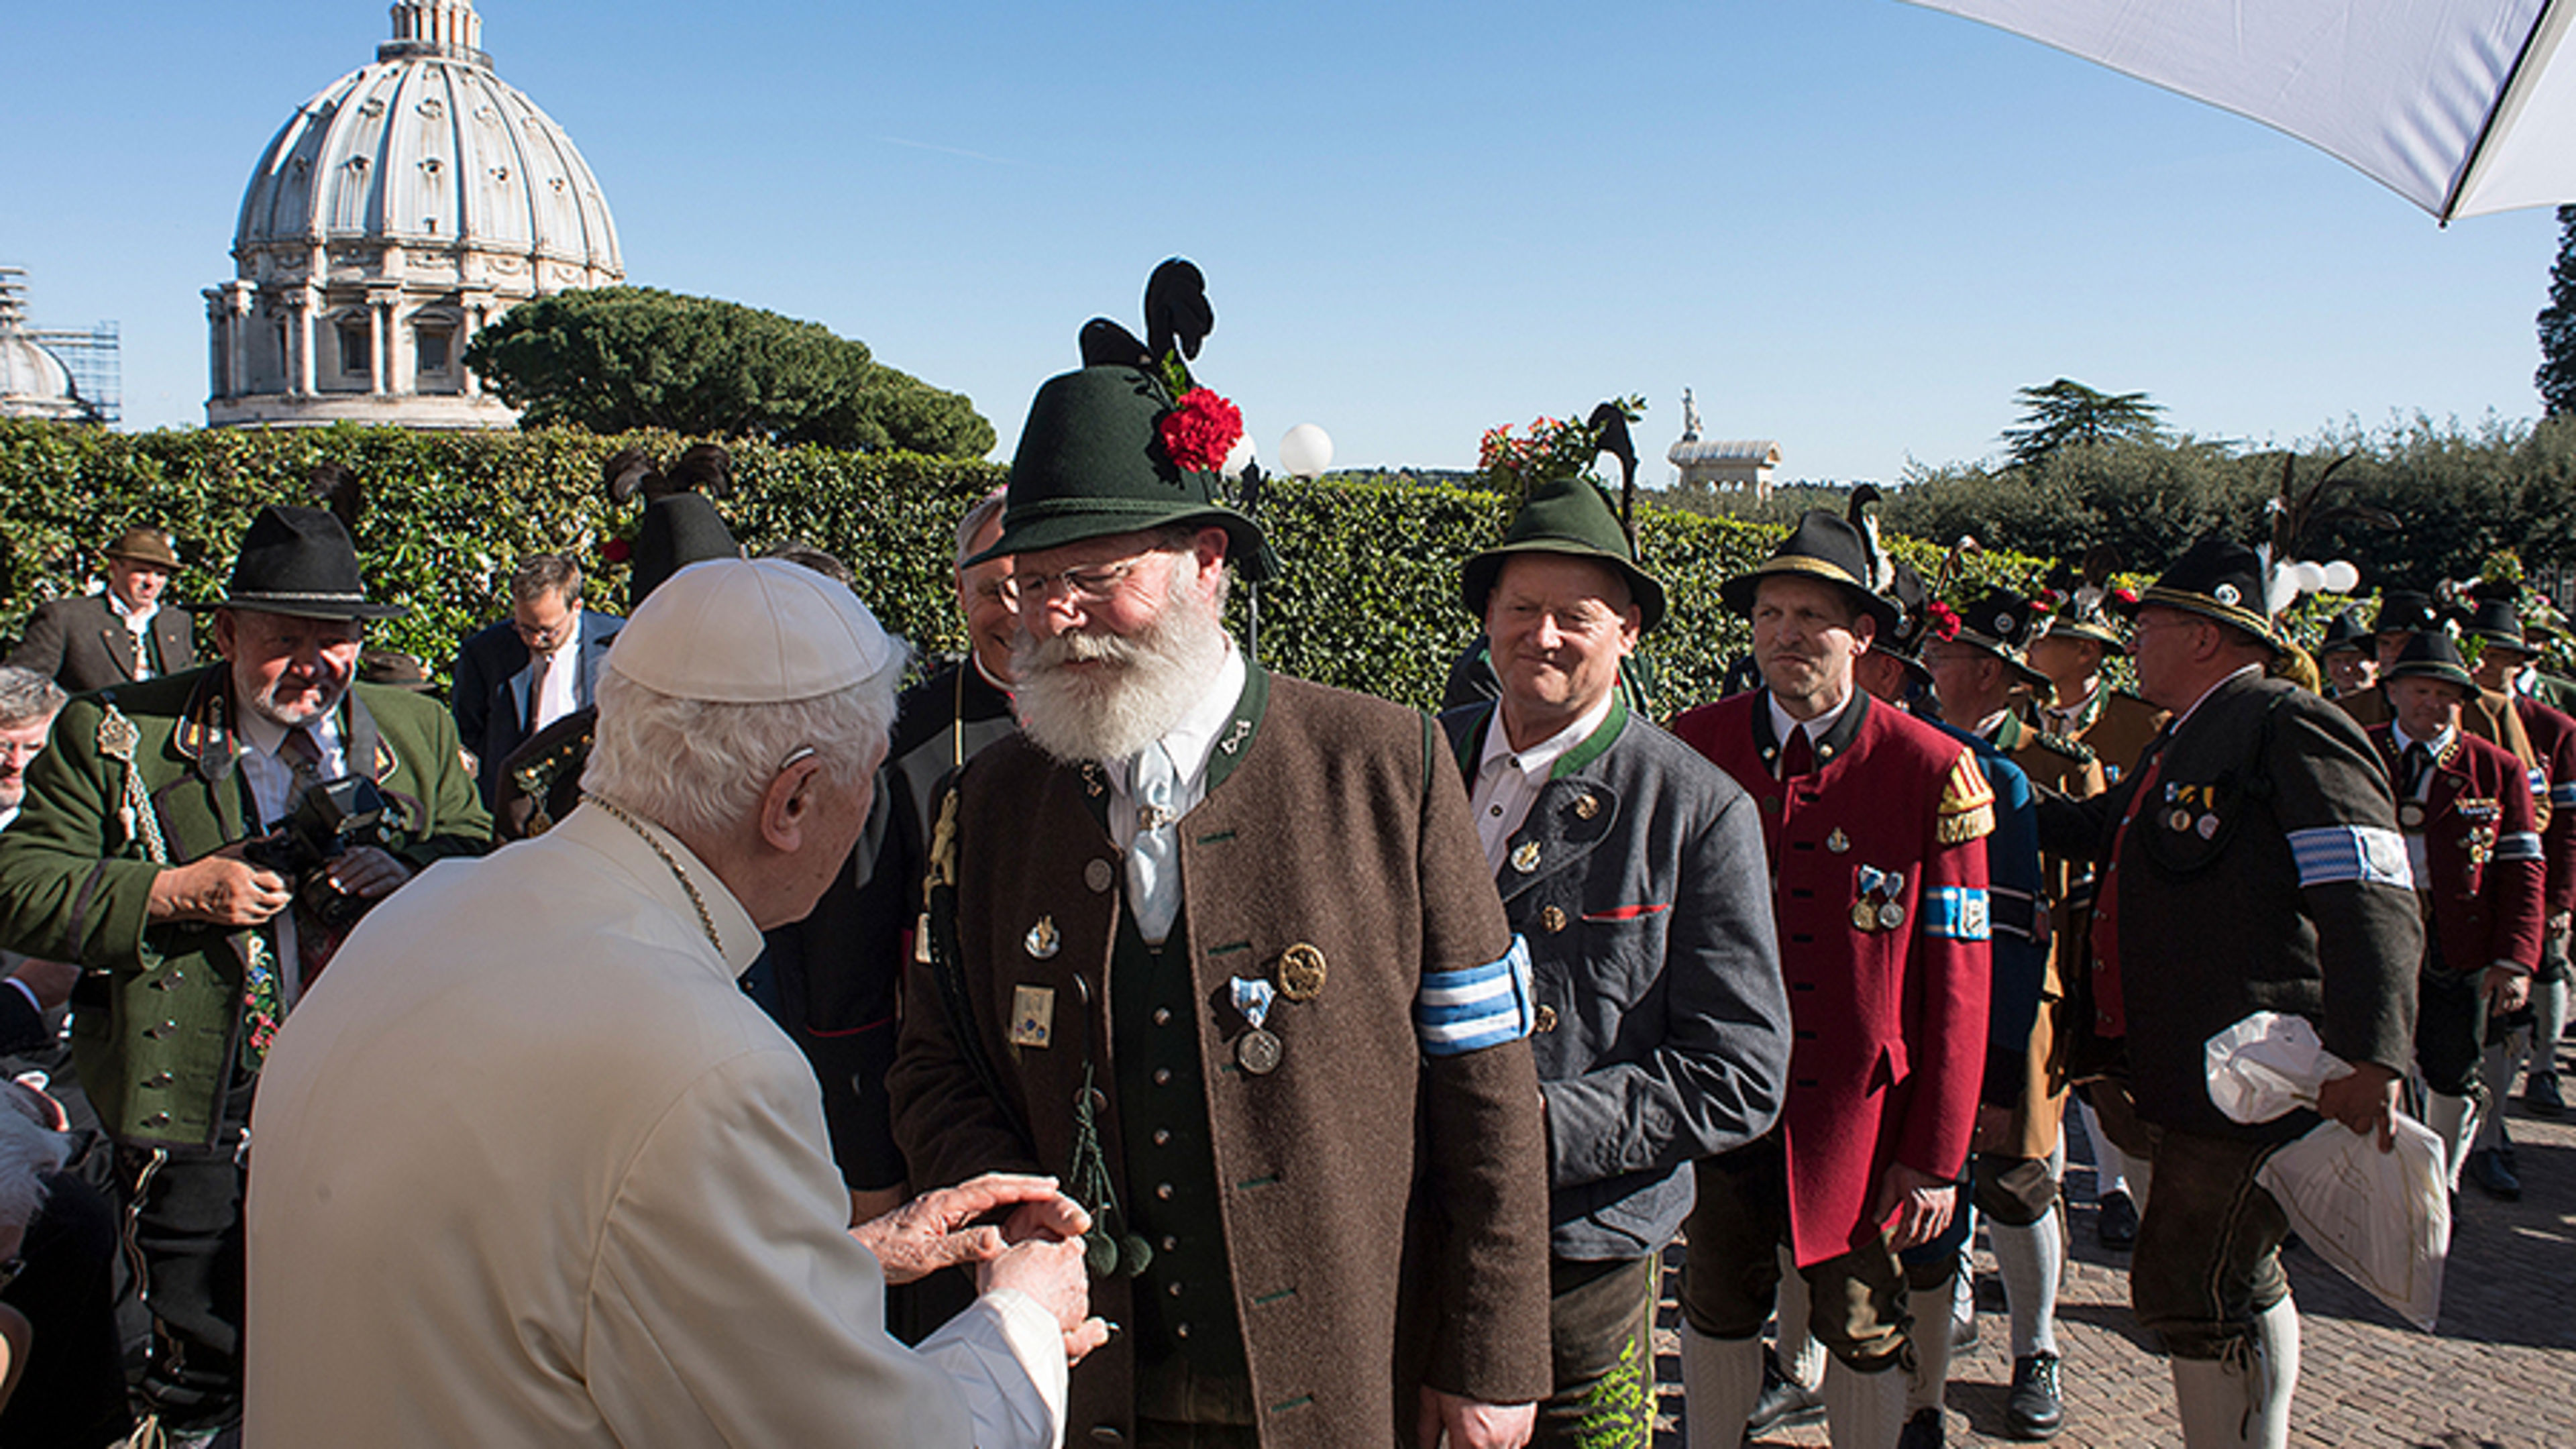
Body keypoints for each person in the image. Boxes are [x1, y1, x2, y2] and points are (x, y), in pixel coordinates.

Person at [244, 557, 1098, 1447]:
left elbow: (522, 1277)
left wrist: (834, 1264)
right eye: (870, 779)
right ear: (795, 799)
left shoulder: (421, 912)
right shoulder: (715, 1068)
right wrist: (1023, 1320)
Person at [889, 360, 1553, 1448]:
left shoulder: (1389, 766)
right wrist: (1009, 1220)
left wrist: (1491, 1358)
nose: (1054, 617)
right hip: (1078, 1388)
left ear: (1206, 563)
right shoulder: (993, 799)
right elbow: (936, 1061)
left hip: (1337, 1376)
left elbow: (1488, 1088)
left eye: (1097, 576)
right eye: (1030, 581)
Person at [0, 503, 490, 1438]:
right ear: (225, 632)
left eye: (335, 639)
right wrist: (174, 893)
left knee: (383, 1331)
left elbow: (476, 849)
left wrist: (415, 872)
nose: (315, 665)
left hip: (395, 1097)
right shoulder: (117, 737)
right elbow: (18, 884)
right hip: (203, 1104)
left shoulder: (414, 728)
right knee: (202, 1357)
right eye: (285, 639)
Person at [2036, 537, 2420, 1449]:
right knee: (2238, 1283)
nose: (2133, 645)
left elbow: (2370, 894)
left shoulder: (2286, 723)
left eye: (2150, 627)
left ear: (2207, 636)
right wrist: (1979, 771)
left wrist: (2375, 1052)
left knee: (2193, 1287)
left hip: (2251, 1069)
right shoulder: (2188, 733)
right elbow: (2100, 829)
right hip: (2191, 1066)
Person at [1440, 477, 1790, 1448]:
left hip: (1580, 1250)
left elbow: (1740, 1076)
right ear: (1487, 618)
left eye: (1575, 615)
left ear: (1629, 629)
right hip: (1413, 1222)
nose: (1542, 635)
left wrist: (1537, 1124)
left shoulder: (1696, 808)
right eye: (1520, 608)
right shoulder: (1419, 765)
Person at [1667, 511, 1995, 1449]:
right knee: (1717, 1304)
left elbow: (1961, 982)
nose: (1786, 634)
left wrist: (1936, 1150)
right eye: (1770, 613)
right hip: (1719, 1102)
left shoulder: (1932, 769)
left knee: (1862, 1325)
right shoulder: (1698, 742)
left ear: (1863, 634)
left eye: (1812, 614)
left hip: (1862, 1119)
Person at [763, 490, 1019, 1228]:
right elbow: (850, 984)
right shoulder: (898, 741)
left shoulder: (1124, 719)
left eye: (1034, 581)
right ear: (958, 588)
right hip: (951, 1117)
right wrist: (870, 1170)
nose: (1017, 611)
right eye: (993, 589)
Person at [1917, 589, 2104, 1446]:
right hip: (1929, 988)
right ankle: (1936, 1345)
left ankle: (2037, 1348)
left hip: (2024, 1001)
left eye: (1942, 656)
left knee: (2018, 1179)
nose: (1928, 665)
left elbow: (2086, 908)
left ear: (1985, 672)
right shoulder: (1911, 751)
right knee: (1931, 1171)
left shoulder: (2058, 768)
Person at [2367, 633, 2546, 1200]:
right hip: (2371, 932)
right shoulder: (2358, 750)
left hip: (2457, 940)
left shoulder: (2495, 768)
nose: (2431, 704)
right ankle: (2371, 1183)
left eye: (2446, 695)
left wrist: (2516, 958)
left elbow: (2523, 869)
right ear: (2393, 691)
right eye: (2420, 690)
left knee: (2453, 1069)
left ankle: (2436, 1186)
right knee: (2366, 1059)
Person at [2463, 599, 2576, 1122]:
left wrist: (2561, 895)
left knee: (2546, 965)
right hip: (2471, 879)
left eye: (2503, 654)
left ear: (2521, 661)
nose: (2490, 663)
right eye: (2482, 651)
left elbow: (2565, 819)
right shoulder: (2457, 711)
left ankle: (2544, 1068)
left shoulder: (2552, 726)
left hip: (2532, 868)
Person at [450, 553, 621, 810]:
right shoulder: (485, 652)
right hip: (513, 803)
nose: (535, 640)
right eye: (525, 628)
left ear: (576, 607)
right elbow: (468, 732)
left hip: (594, 797)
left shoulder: (617, 643)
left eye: (549, 631)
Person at [7, 526, 199, 694]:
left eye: (160, 574)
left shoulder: (177, 622)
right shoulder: (66, 618)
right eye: (141, 571)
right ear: (114, 568)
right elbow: (18, 687)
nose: (151, 582)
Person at [2316, 608, 2376, 699]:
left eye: (2351, 659)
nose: (2346, 669)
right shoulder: (2315, 704)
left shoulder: (2393, 699)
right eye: (2336, 661)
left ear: (2374, 663)